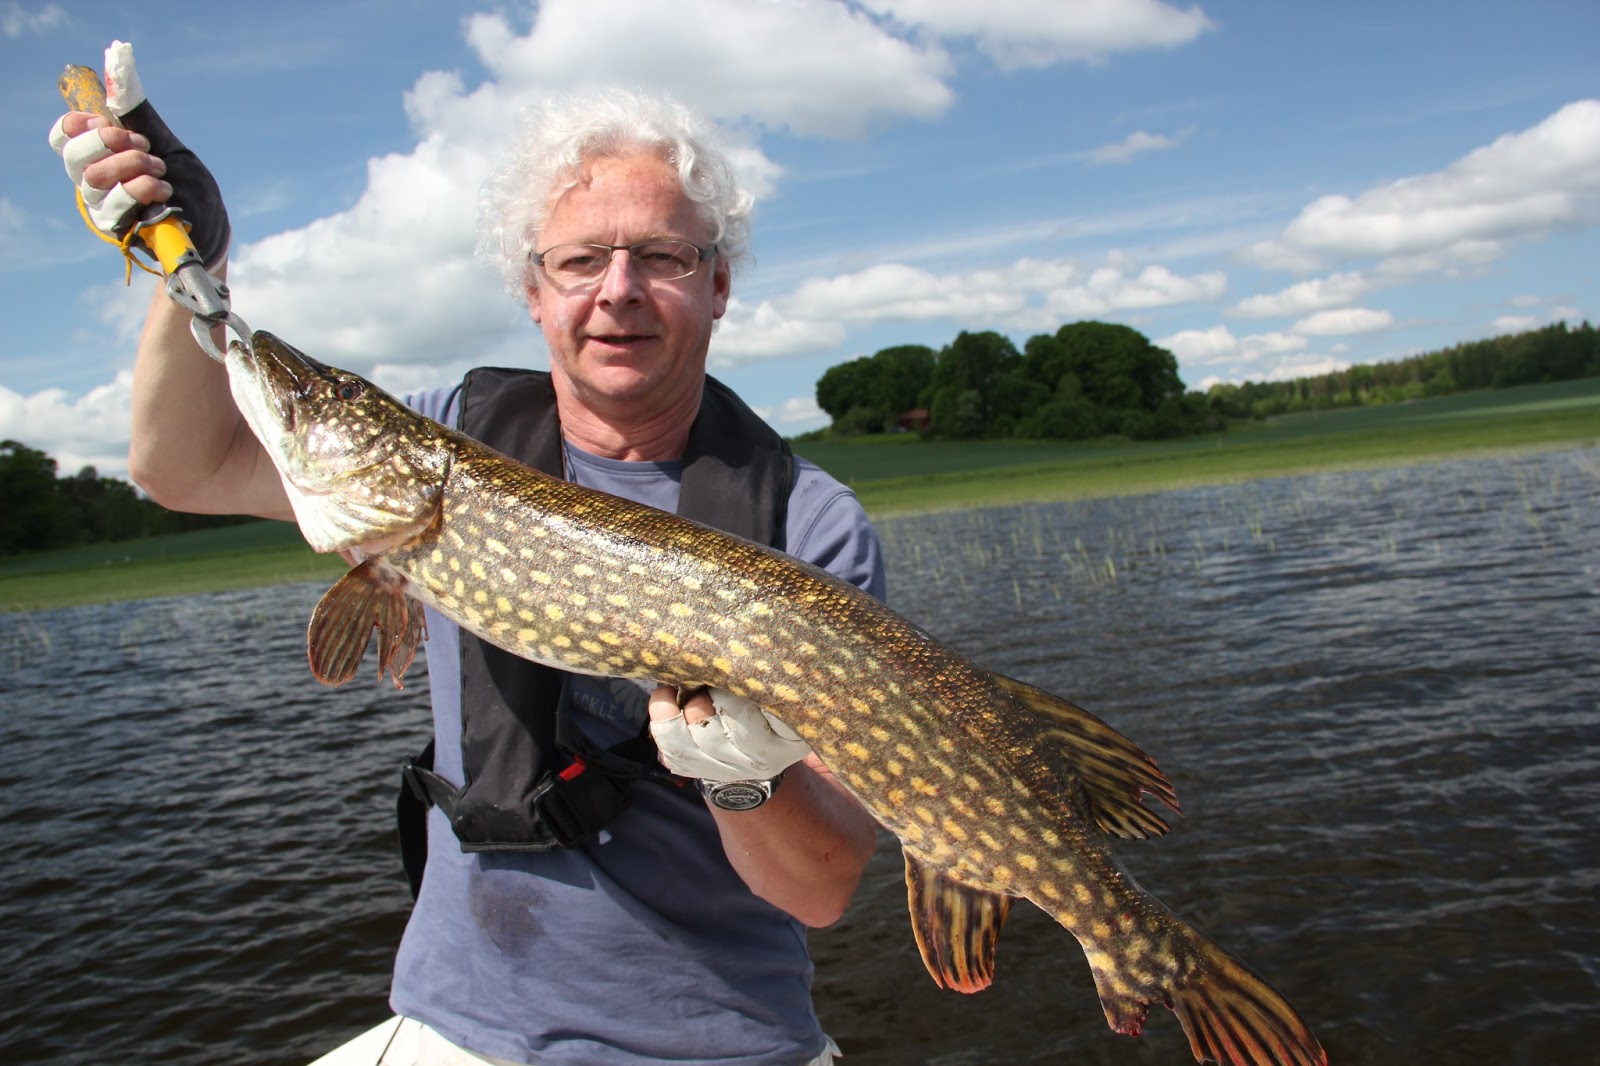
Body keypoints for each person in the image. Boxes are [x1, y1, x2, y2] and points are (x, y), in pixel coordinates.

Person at [52, 75, 884, 1066]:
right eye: (579, 259)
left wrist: (747, 780)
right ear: (534, 292)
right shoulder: (448, 440)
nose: (617, 289)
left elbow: (820, 889)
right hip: (458, 1028)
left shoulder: (808, 523)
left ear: (718, 287)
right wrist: (196, 268)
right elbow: (181, 466)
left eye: (663, 256)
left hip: (715, 1046)